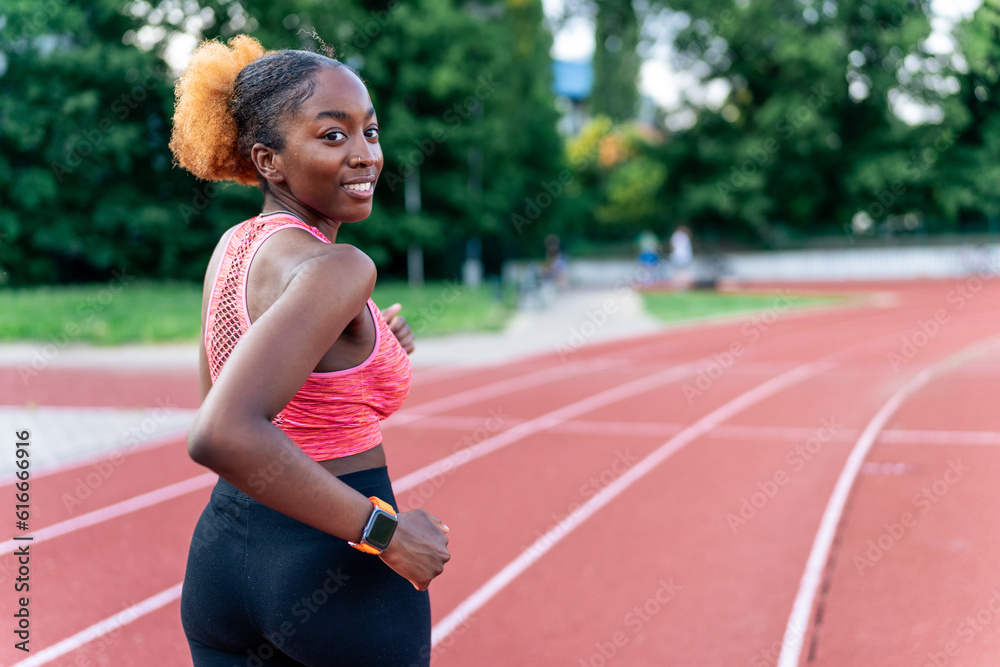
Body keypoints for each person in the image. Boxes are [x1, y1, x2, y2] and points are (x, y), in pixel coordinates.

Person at [169, 36, 450, 666]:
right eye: (333, 136)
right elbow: (220, 430)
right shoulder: (340, 267)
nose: (365, 156)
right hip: (335, 577)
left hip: (224, 563)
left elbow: (231, 382)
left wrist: (372, 348)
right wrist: (388, 534)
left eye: (371, 132)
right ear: (268, 160)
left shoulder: (234, 247)